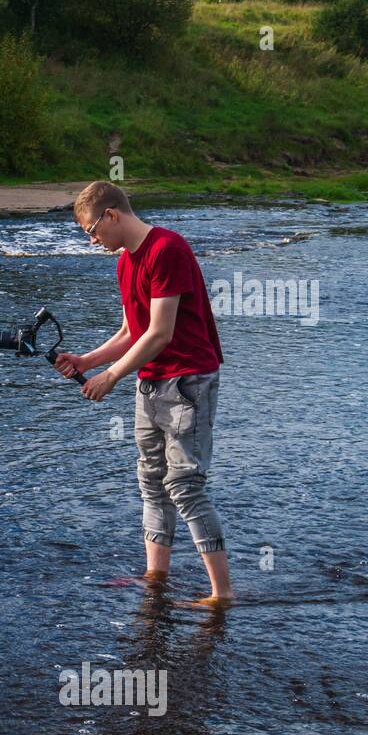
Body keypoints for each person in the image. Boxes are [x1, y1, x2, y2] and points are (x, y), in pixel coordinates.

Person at [55, 181, 232, 606]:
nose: (92, 240)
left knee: (185, 485)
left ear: (112, 215)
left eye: (92, 230)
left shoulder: (167, 249)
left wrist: (111, 375)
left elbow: (160, 333)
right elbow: (131, 331)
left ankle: (222, 593)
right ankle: (156, 578)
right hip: (149, 382)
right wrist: (87, 361)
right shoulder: (124, 262)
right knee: (151, 483)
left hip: (188, 381)